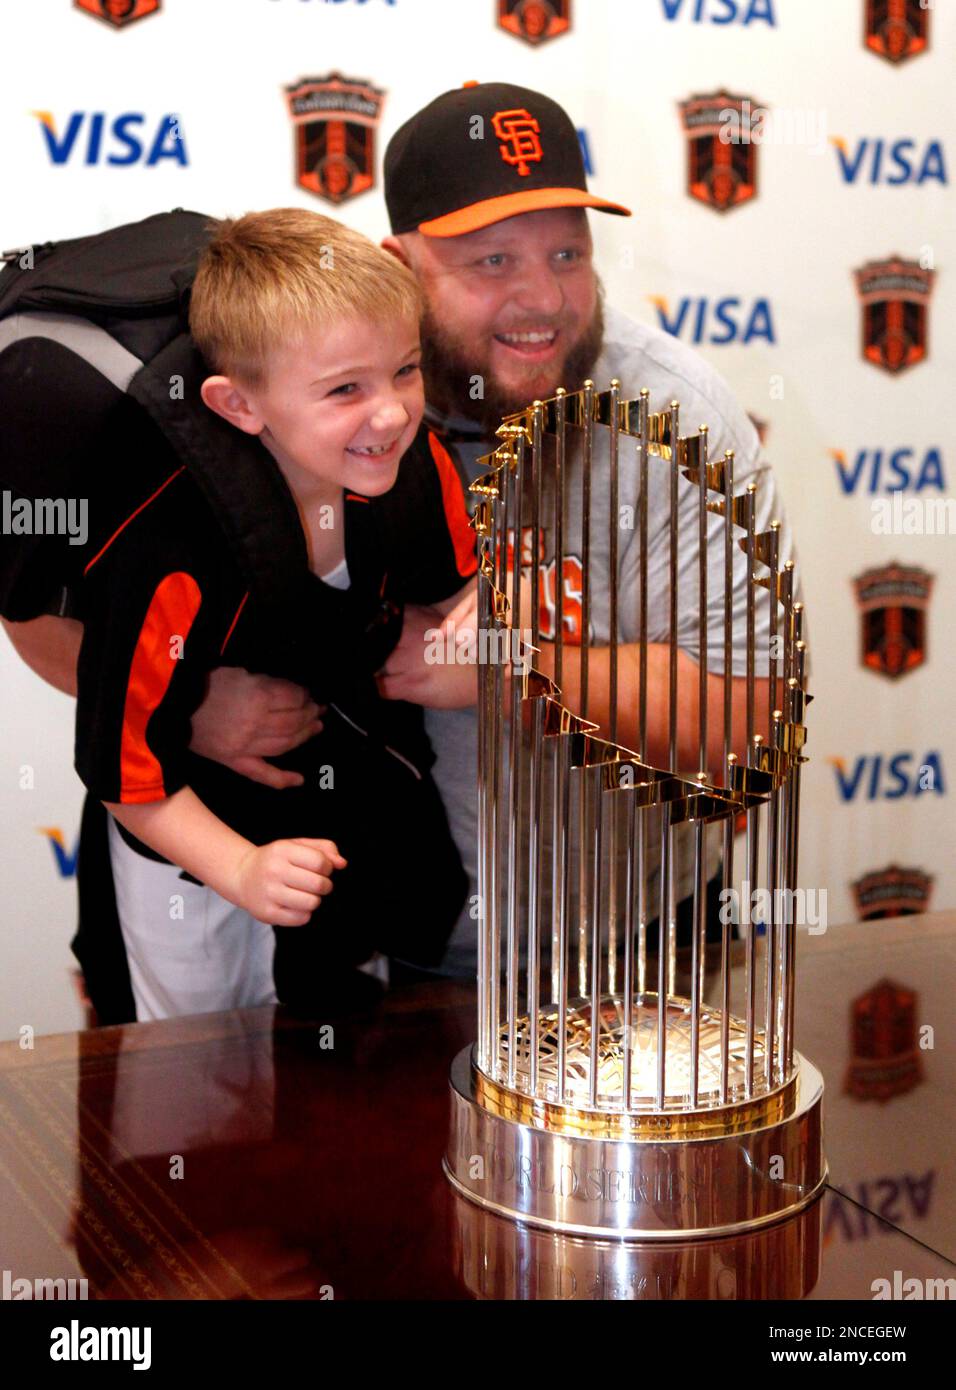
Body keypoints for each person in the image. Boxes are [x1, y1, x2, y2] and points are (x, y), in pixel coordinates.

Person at [374, 81, 794, 977]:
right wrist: (209, 713)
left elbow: (748, 722)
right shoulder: (325, 388)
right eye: (491, 262)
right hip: (379, 950)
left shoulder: (671, 414)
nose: (544, 298)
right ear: (397, 266)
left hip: (639, 939)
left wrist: (518, 673)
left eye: (568, 251)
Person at [69, 207, 476, 1021]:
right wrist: (240, 870)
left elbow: (460, 583)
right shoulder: (166, 543)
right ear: (238, 405)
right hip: (189, 850)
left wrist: (496, 604)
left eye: (404, 369)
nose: (392, 412)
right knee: (193, 1082)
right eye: (344, 390)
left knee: (337, 1074)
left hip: (333, 817)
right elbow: (124, 773)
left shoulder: (415, 461)